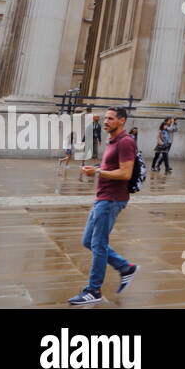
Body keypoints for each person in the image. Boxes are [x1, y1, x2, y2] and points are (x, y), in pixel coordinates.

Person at [69, 107, 140, 305]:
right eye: (106, 118)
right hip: (103, 198)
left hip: (111, 200)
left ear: (122, 121)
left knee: (98, 245)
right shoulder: (112, 140)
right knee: (87, 241)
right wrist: (98, 169)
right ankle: (125, 267)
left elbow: (125, 173)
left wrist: (98, 173)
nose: (106, 121)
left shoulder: (126, 142)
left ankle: (93, 290)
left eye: (110, 118)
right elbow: (112, 168)